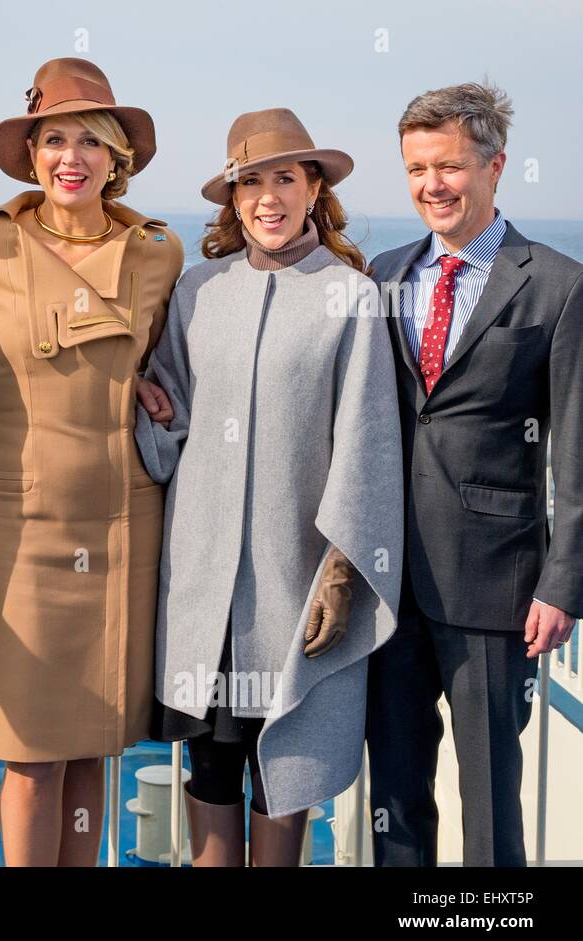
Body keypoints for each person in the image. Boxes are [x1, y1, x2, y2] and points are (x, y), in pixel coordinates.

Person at [134, 108, 403, 866]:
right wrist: (146, 409)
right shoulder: (198, 290)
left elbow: (369, 442)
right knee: (211, 769)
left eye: (284, 178)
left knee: (283, 776)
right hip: (202, 592)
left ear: (314, 187)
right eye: (249, 183)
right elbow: (172, 423)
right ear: (232, 199)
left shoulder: (351, 296)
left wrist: (344, 572)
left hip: (296, 584)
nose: (267, 198)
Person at [0, 57, 182, 866]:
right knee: (29, 750)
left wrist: (158, 389)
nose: (70, 157)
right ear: (32, 152)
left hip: (125, 522)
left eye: (90, 140)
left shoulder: (159, 251)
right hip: (18, 525)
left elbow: (176, 362)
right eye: (54, 139)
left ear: (118, 159)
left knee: (95, 745)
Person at [365, 82, 582, 867]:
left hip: (498, 585)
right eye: (417, 169)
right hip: (388, 586)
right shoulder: (384, 275)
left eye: (449, 166)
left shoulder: (557, 284)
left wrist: (564, 581)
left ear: (495, 167)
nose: (432, 185)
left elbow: (578, 453)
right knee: (394, 796)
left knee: (490, 802)